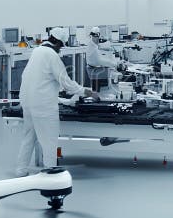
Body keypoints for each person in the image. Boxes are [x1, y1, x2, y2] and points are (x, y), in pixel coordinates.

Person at [16, 27, 92, 177]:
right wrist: (86, 91)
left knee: (29, 138)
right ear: (56, 41)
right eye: (61, 45)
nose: (61, 48)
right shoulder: (51, 55)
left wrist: (62, 100)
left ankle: (21, 170)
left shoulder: (37, 51)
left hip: (28, 103)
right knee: (49, 141)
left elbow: (34, 80)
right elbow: (66, 82)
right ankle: (50, 174)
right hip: (43, 107)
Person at [86, 26, 119, 91]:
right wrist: (115, 64)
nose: (98, 38)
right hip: (96, 70)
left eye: (98, 36)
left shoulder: (92, 45)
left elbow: (100, 56)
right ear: (92, 36)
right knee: (114, 73)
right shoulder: (92, 48)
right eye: (96, 36)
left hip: (95, 68)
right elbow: (100, 61)